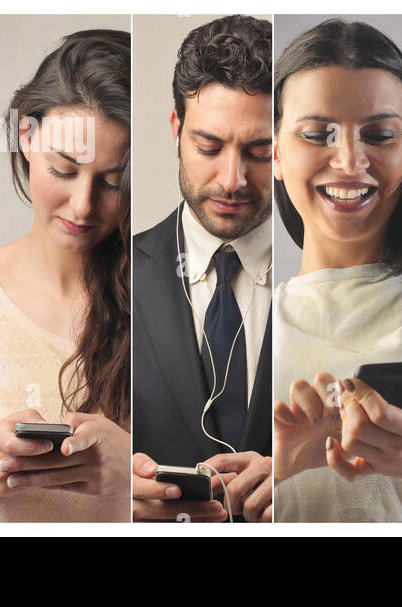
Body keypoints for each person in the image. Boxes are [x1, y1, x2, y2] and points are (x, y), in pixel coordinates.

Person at [270, 19, 402, 522]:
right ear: (276, 154)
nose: (351, 162)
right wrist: (274, 472)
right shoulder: (240, 316)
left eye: (378, 135)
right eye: (317, 134)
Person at [132, 15, 274, 523]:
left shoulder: (336, 280)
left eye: (261, 151)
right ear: (176, 130)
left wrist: (307, 489)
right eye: (209, 148)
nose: (232, 180)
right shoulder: (113, 273)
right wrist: (111, 495)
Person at [0, 30, 132, 522]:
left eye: (113, 182)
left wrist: (130, 474)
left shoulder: (161, 302)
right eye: (65, 170)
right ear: (25, 137)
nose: (84, 206)